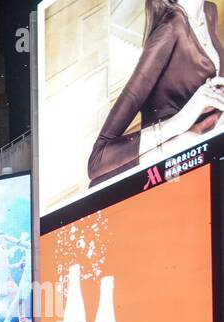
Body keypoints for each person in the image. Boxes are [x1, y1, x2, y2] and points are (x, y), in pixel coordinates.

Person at [88, 0, 224, 188]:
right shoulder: (169, 29)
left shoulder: (209, 11)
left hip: (204, 146)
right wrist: (181, 120)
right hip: (165, 170)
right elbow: (97, 161)